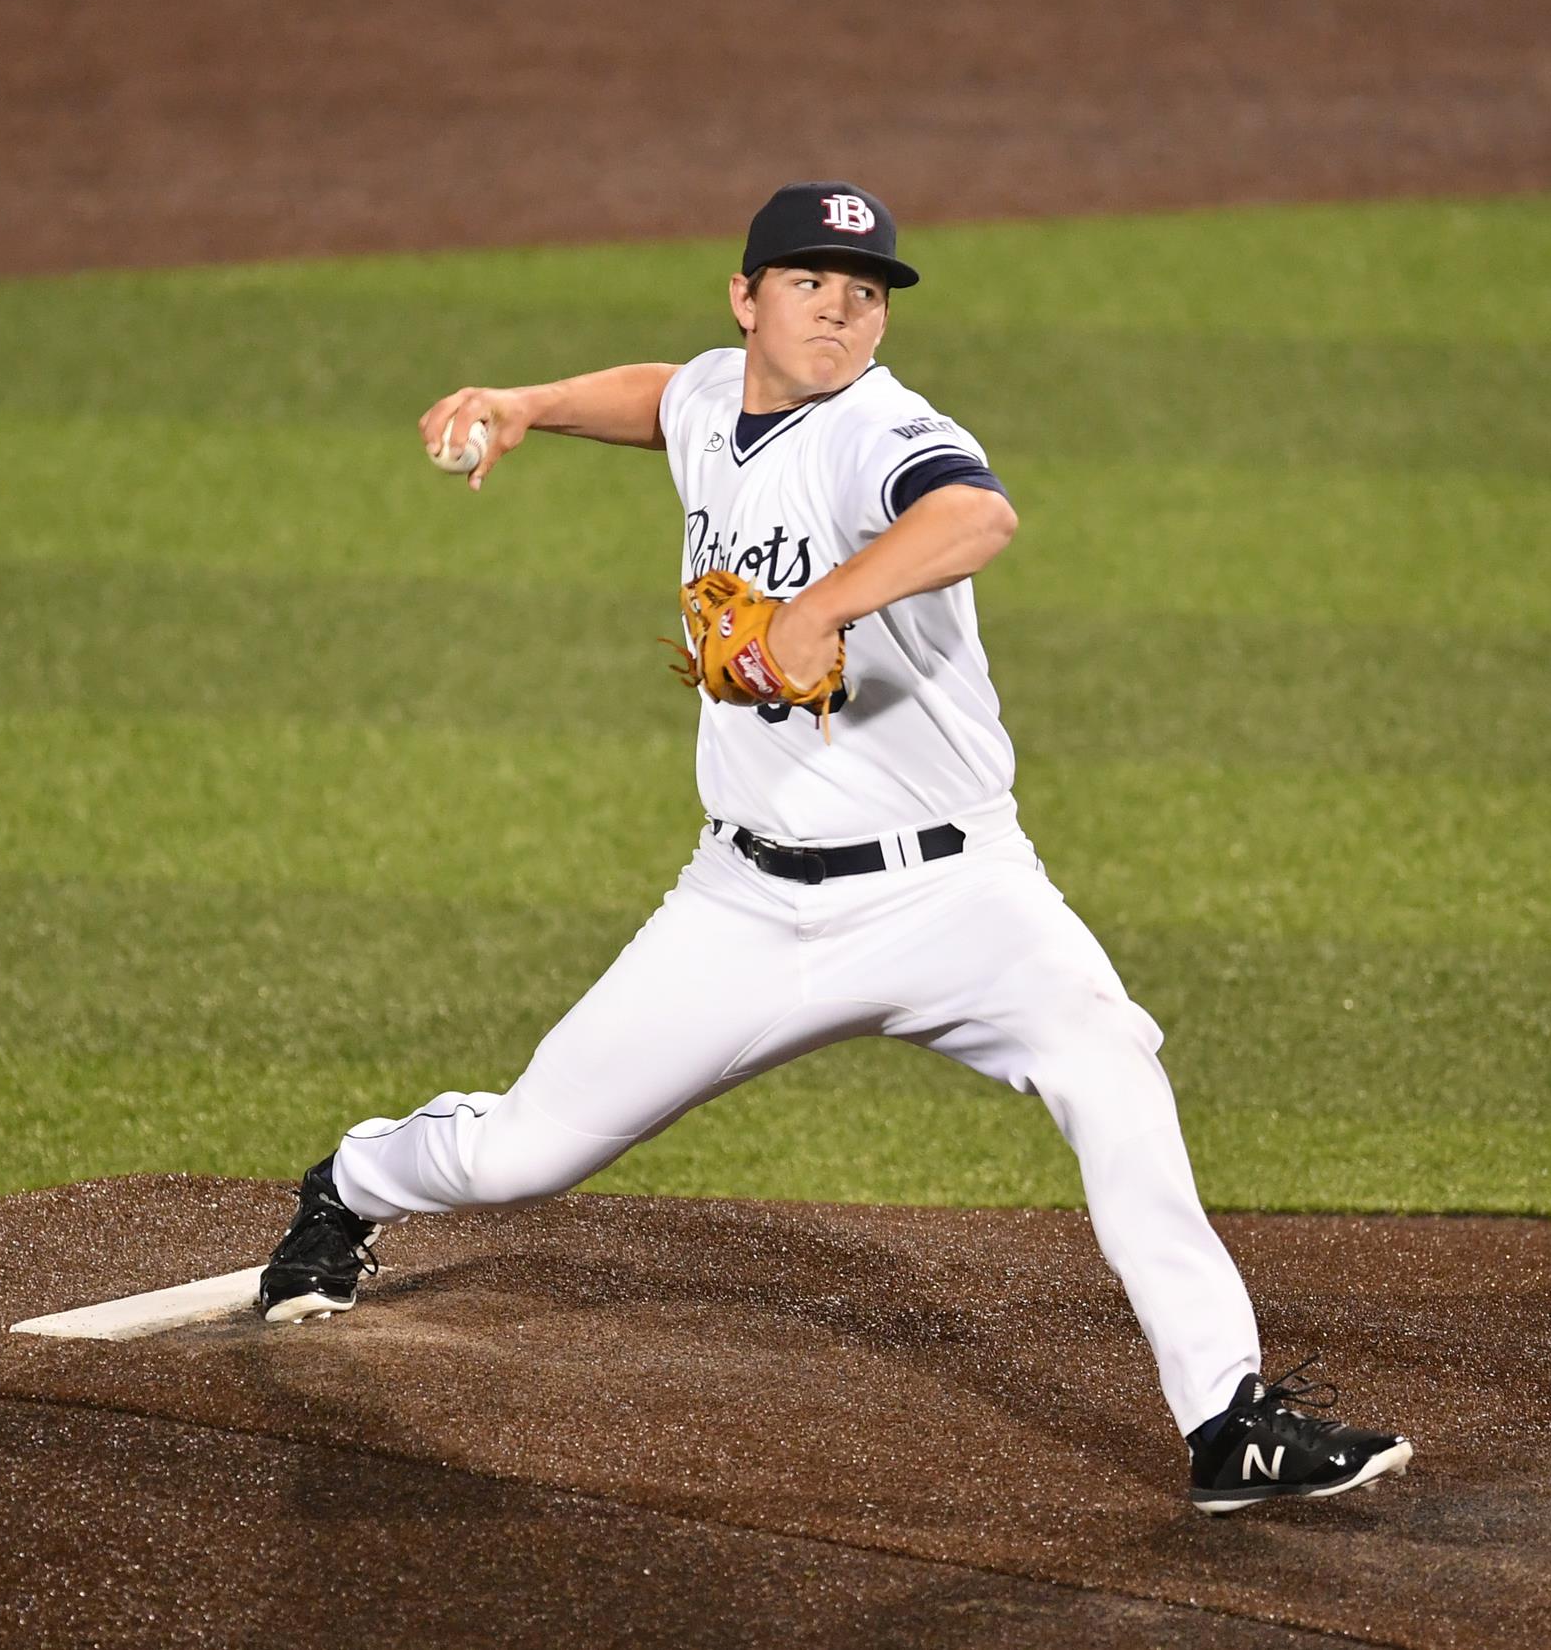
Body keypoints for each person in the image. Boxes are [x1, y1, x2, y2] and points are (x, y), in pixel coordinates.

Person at [256, 180, 1412, 1513]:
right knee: (524, 1152)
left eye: (865, 293)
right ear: (745, 298)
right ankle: (347, 1184)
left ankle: (1228, 1418)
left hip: (956, 897)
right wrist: (526, 404)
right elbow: (667, 397)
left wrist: (824, 606)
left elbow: (974, 514)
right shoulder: (714, 394)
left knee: (1111, 1062)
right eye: (811, 284)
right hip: (740, 906)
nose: (842, 311)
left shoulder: (884, 429)